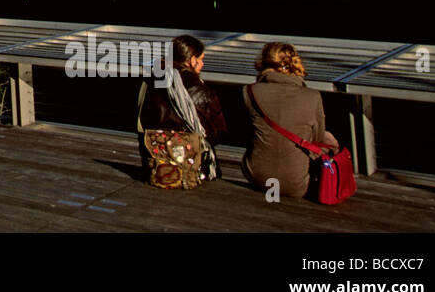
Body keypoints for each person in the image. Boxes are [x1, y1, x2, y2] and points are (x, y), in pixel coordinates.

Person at [241, 42, 338, 199]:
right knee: (329, 139)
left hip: (256, 176)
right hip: (297, 184)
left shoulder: (249, 91)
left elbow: (249, 132)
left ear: (263, 63)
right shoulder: (312, 96)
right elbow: (317, 139)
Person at [137, 34, 227, 181]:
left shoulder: (150, 81)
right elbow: (217, 133)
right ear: (192, 60)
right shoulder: (201, 90)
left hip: (155, 167)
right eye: (201, 59)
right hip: (192, 170)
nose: (203, 64)